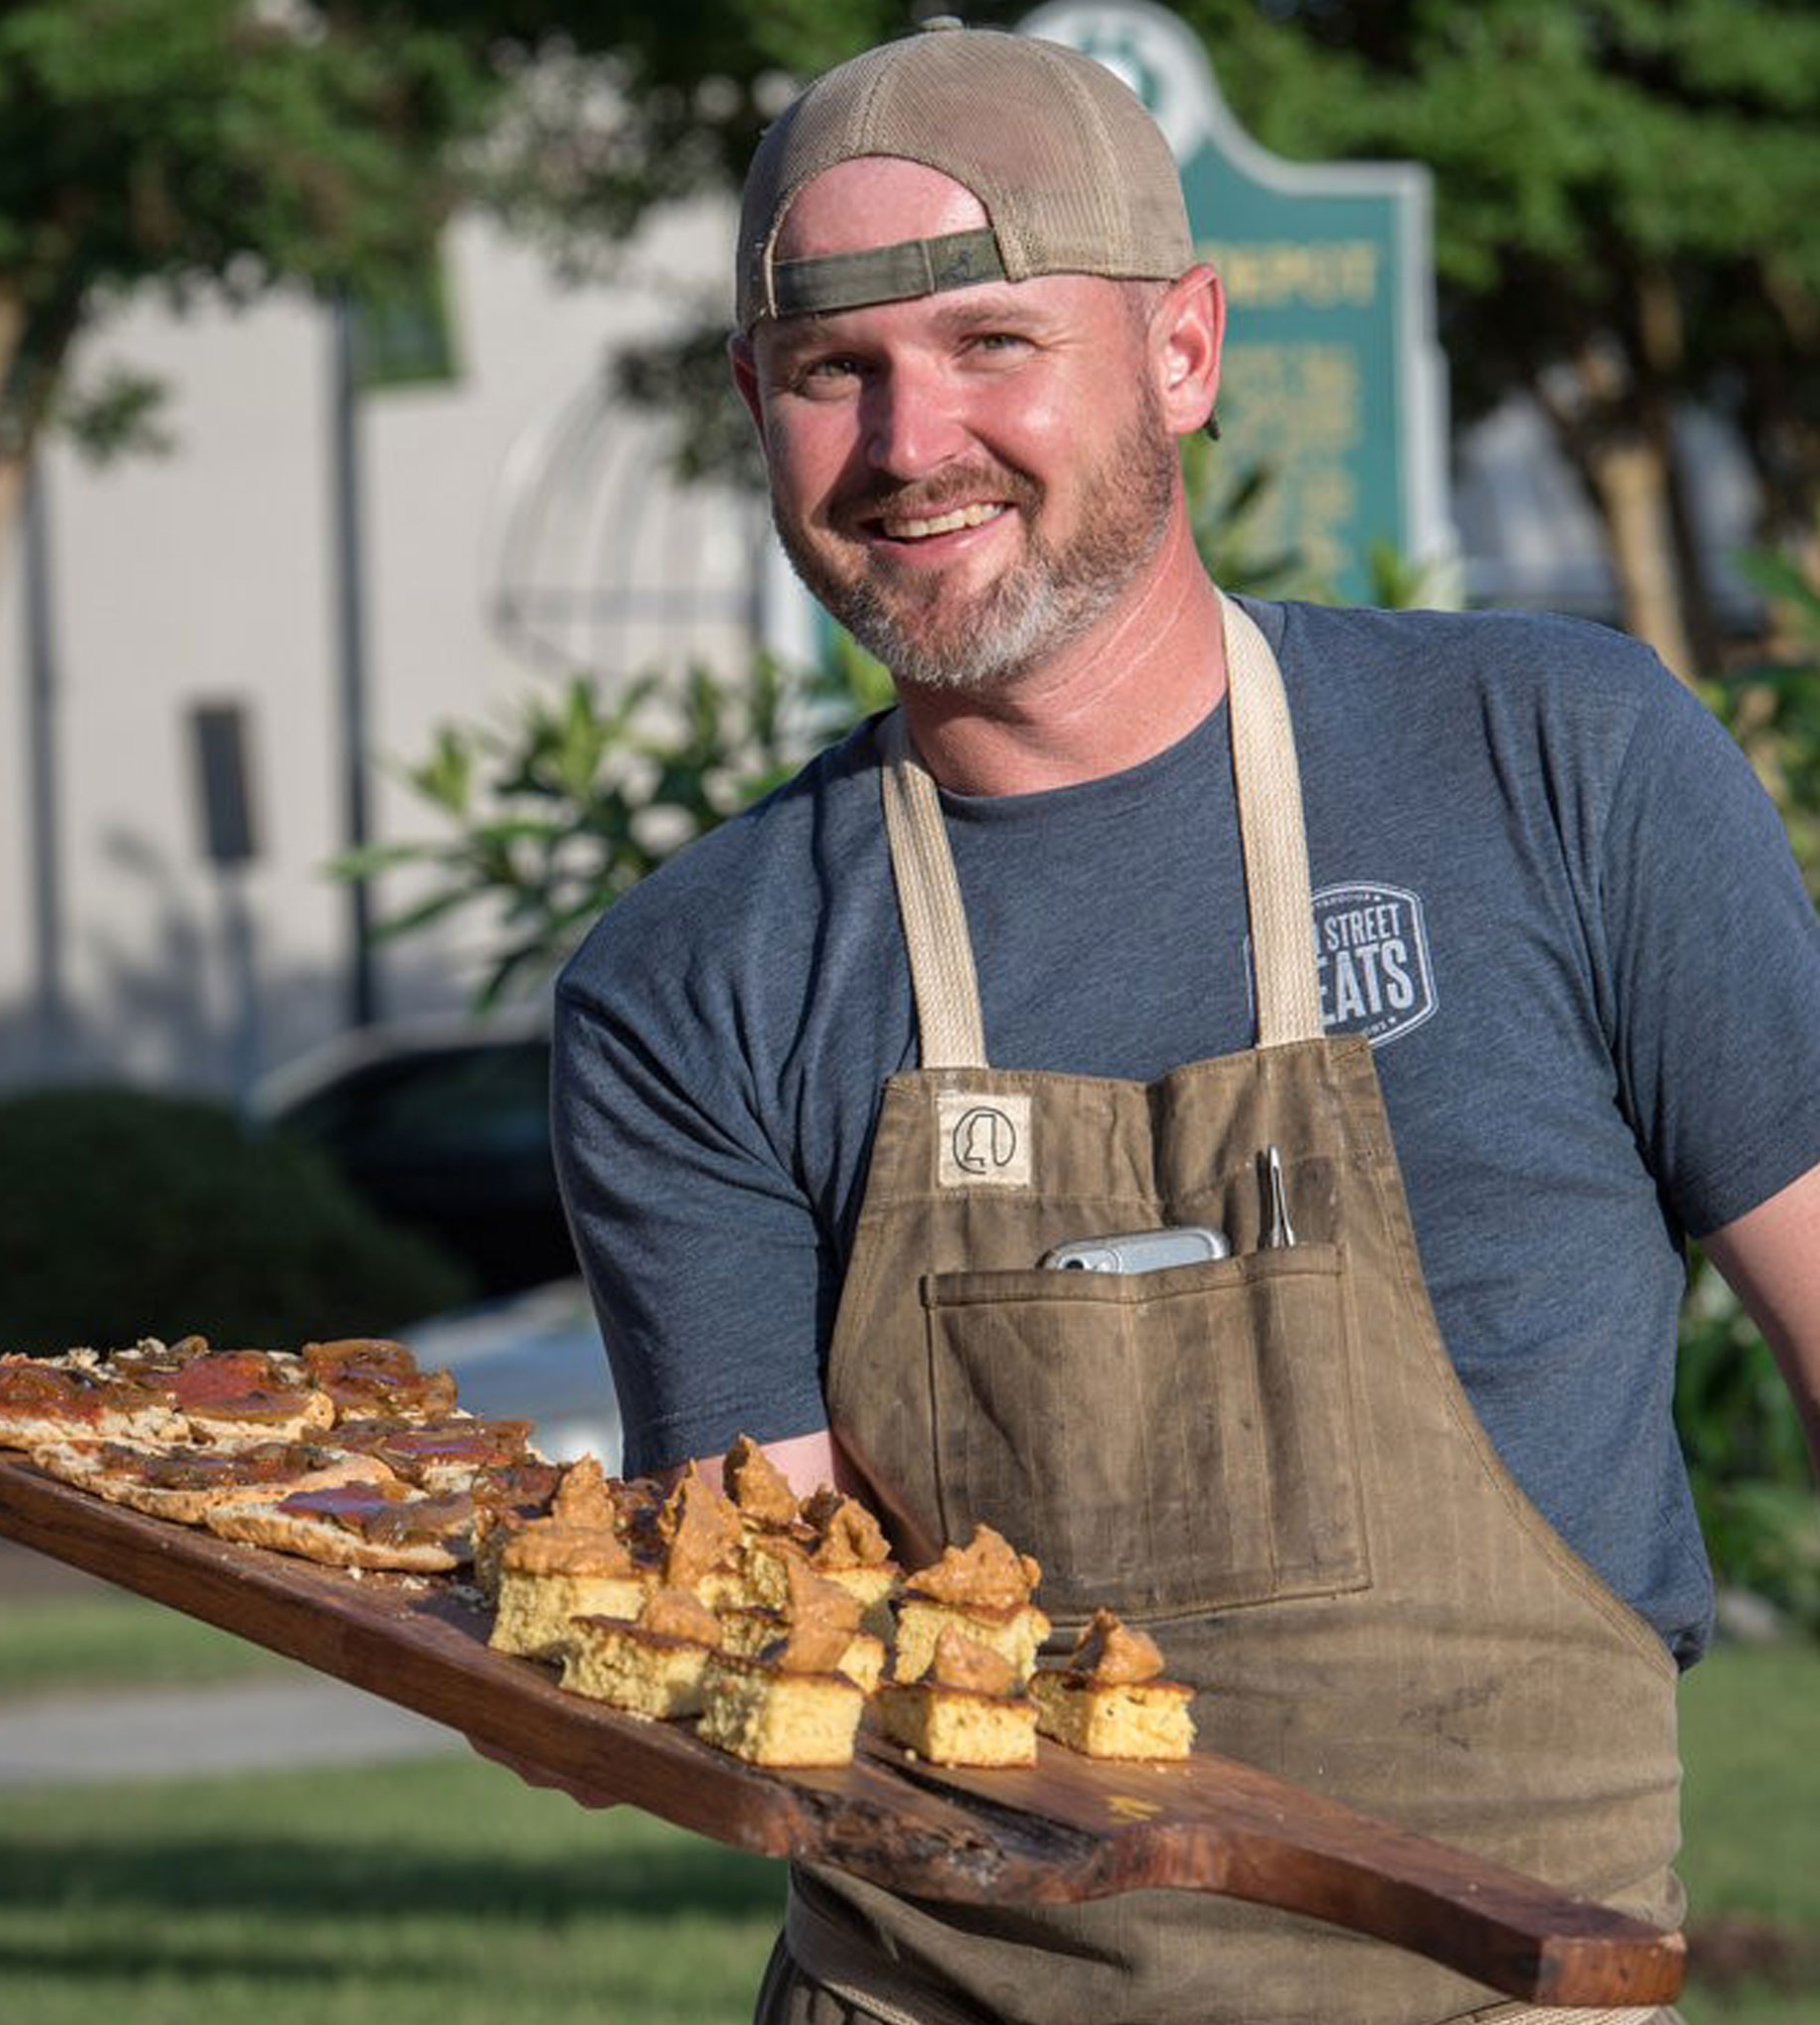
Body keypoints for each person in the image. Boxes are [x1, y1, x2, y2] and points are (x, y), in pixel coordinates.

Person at [549, 21, 1820, 2024]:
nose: (906, 442)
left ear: (1183, 354)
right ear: (752, 402)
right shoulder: (690, 977)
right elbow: (770, 1637)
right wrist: (564, 1670)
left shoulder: (1560, 764)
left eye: (990, 344)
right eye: (830, 373)